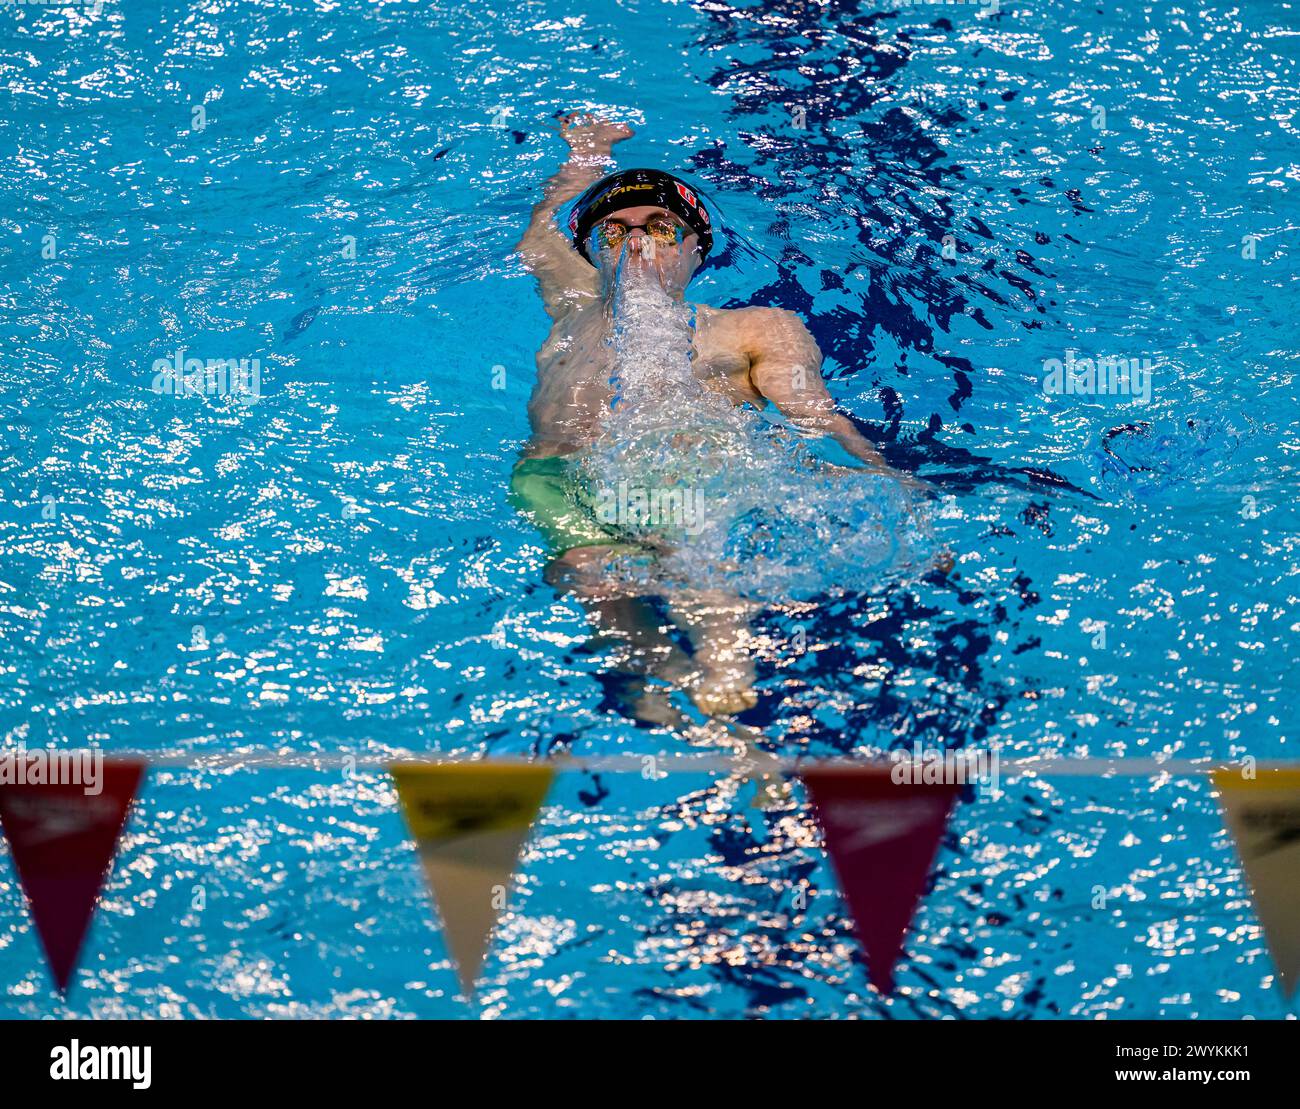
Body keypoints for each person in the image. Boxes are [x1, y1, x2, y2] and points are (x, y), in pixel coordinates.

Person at [511, 113, 924, 721]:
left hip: (684, 464)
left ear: (696, 249)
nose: (639, 244)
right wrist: (587, 151)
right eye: (616, 233)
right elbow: (541, 239)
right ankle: (663, 678)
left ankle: (723, 653)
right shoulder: (572, 306)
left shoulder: (753, 326)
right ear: (595, 253)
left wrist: (883, 475)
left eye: (660, 228)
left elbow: (812, 413)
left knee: (678, 518)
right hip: (556, 475)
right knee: (586, 575)